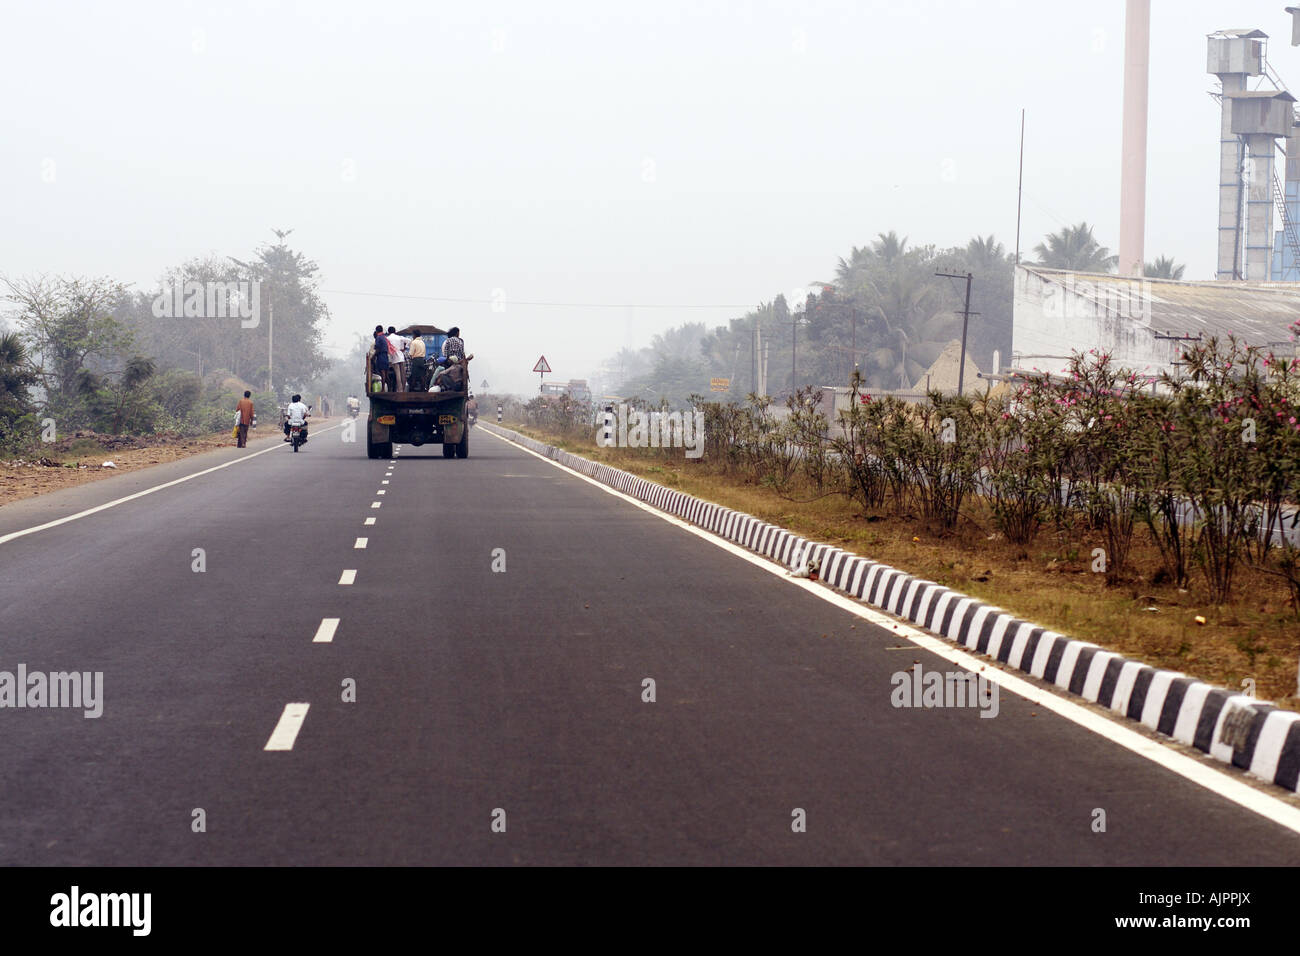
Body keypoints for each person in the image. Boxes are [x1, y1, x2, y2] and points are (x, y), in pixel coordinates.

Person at [387, 326, 407, 391]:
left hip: (394, 357)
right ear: (395, 331)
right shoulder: (399, 337)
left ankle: (400, 390)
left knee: (398, 374)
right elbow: (409, 340)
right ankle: (403, 389)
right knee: (403, 374)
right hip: (401, 356)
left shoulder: (388, 338)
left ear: (388, 332)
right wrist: (404, 347)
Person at [372, 325, 391, 392]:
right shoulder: (384, 337)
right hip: (385, 356)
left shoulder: (378, 337)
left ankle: (383, 389)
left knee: (383, 373)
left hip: (381, 356)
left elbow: (377, 349)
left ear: (377, 331)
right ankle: (390, 389)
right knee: (386, 373)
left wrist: (373, 356)